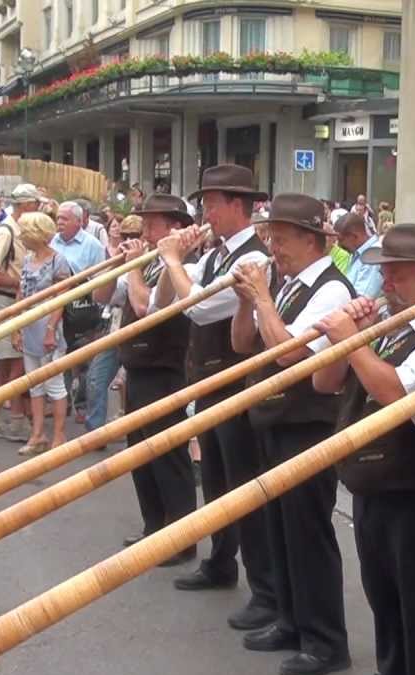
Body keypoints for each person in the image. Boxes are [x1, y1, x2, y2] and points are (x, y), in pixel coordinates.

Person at [313, 224, 415, 675]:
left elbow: (401, 396)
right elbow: (324, 381)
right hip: (372, 482)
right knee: (383, 591)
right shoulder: (392, 324)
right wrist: (343, 339)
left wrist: (354, 344)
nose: (386, 287)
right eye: (385, 276)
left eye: (398, 276)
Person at [228, 193, 354, 675]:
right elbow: (245, 346)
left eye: (281, 238)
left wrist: (261, 297)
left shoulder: (331, 290)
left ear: (310, 239)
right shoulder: (285, 285)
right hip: (276, 421)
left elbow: (289, 354)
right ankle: (289, 618)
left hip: (308, 425)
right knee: (278, 527)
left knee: (308, 534)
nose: (273, 248)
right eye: (270, 237)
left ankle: (325, 640)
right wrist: (247, 305)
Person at [153, 164, 277, 632]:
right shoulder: (215, 254)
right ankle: (222, 560)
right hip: (208, 380)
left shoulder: (254, 260)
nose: (205, 212)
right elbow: (165, 303)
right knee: (218, 482)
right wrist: (173, 259)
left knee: (245, 488)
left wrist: (171, 260)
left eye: (211, 203)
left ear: (236, 207)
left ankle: (264, 589)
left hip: (236, 384)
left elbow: (201, 309)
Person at [92, 196, 198, 562]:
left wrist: (133, 269)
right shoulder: (147, 261)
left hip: (164, 369)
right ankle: (154, 527)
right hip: (138, 365)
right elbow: (101, 295)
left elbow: (144, 305)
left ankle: (181, 538)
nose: (145, 231)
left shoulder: (181, 263)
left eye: (152, 224)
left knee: (166, 453)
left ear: (175, 228)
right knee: (139, 452)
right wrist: (115, 259)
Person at [0, 184, 39, 442]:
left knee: (8, 365)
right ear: (26, 206)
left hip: (14, 302)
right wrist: (22, 283)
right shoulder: (5, 233)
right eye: (35, 205)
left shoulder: (20, 232)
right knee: (14, 363)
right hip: (4, 302)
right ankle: (14, 418)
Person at [11, 212, 72, 454]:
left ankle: (59, 434)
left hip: (49, 325)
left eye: (24, 232)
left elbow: (62, 298)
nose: (21, 237)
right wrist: (15, 327)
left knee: (54, 384)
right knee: (34, 383)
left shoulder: (59, 261)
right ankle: (37, 434)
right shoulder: (27, 259)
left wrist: (50, 331)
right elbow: (21, 294)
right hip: (29, 326)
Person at [51, 201, 111, 431]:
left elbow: (102, 279)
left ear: (79, 221)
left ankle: (83, 403)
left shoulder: (93, 245)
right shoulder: (52, 242)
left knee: (84, 359)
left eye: (64, 219)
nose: (60, 223)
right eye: (58, 218)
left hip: (83, 309)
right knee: (60, 355)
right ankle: (62, 401)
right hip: (57, 309)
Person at [334, 212, 384, 299]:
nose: (339, 245)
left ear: (354, 236)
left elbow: (363, 299)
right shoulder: (357, 254)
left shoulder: (372, 256)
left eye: (341, 240)